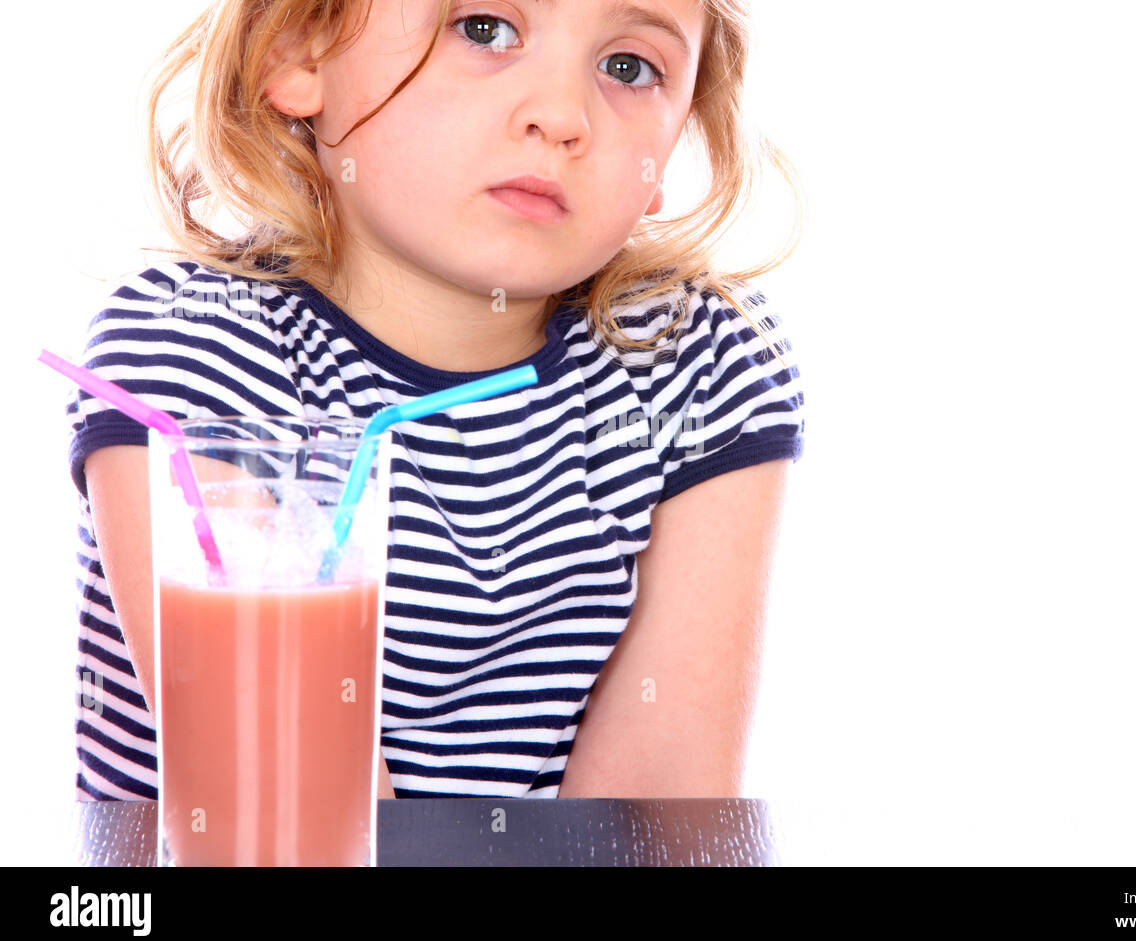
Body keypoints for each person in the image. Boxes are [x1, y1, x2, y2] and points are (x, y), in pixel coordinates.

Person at [66, 0, 806, 801]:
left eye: (628, 68)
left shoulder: (698, 360)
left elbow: (650, 823)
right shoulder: (193, 347)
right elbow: (303, 821)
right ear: (300, 51)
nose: (561, 118)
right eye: (484, 28)